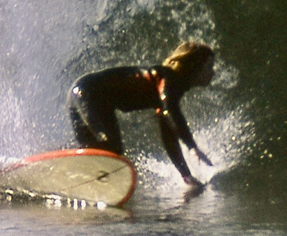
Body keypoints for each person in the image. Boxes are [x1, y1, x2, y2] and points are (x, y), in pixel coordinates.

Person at [68, 41, 215, 187]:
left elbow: (169, 136)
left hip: (82, 94)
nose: (212, 72)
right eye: (209, 66)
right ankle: (70, 170)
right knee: (112, 149)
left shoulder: (168, 89)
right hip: (88, 93)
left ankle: (74, 180)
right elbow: (170, 111)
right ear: (195, 67)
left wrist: (186, 175)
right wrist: (191, 146)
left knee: (96, 153)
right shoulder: (167, 78)